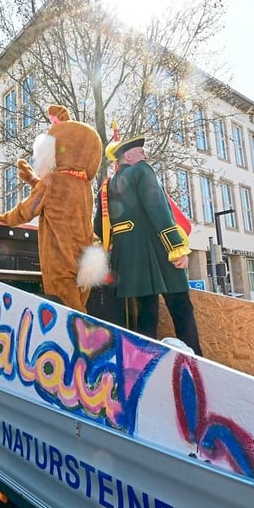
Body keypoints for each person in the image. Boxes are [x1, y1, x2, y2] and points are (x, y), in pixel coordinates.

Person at [93, 136, 202, 355]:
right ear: (128, 156)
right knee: (180, 307)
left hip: (127, 259)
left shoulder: (106, 186)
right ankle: (196, 363)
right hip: (157, 251)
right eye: (141, 152)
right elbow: (158, 209)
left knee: (146, 312)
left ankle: (145, 362)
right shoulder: (142, 170)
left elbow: (99, 226)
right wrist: (176, 247)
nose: (146, 155)